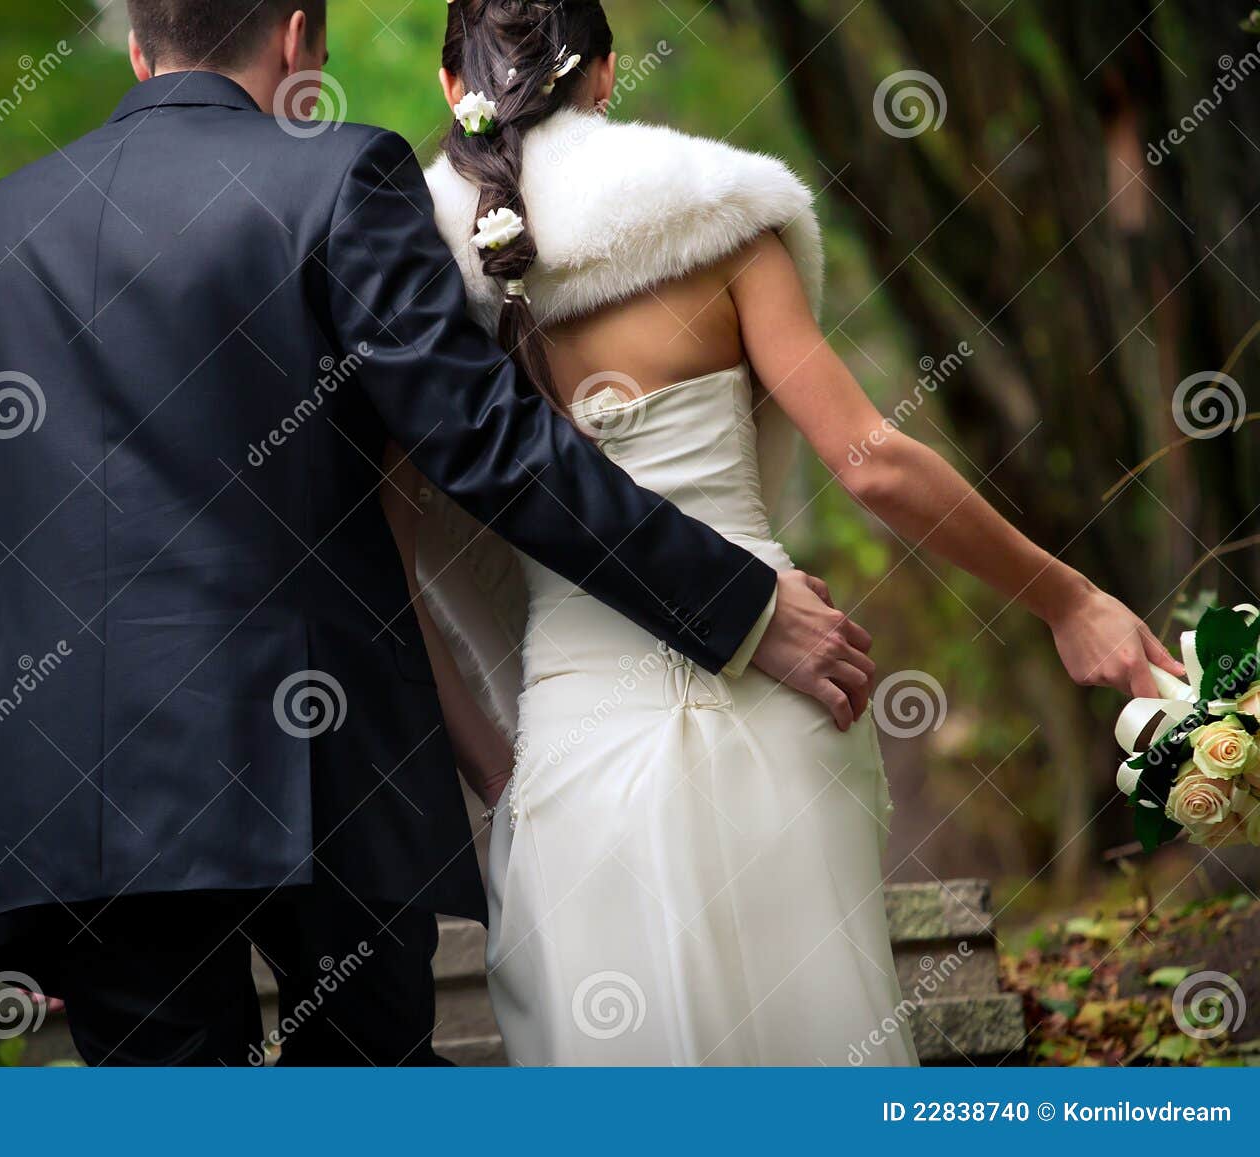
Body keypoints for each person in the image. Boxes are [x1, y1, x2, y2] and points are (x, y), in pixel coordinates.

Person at [0, 0, 876, 1066]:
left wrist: (17, 849)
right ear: (299, 36)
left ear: (140, 49)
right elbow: (486, 444)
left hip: (79, 795)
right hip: (319, 775)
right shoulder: (338, 179)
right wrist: (733, 605)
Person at [388, 0, 1183, 1064]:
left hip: (574, 736)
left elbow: (399, 539)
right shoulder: (712, 213)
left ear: (455, 91)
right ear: (608, 74)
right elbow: (871, 459)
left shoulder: (405, 272)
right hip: (779, 682)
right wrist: (1067, 598)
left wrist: (498, 772)